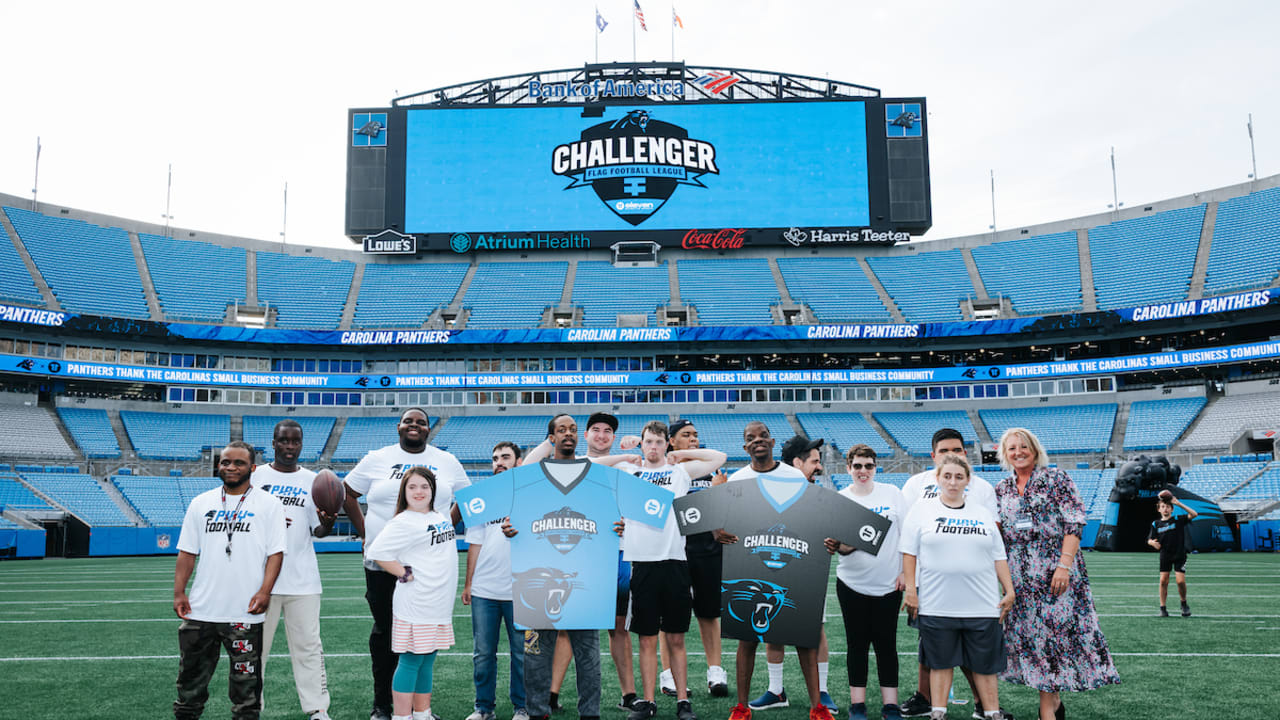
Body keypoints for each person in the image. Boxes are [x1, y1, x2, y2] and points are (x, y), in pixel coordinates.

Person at [343, 408, 471, 720]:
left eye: (421, 422)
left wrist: (444, 524)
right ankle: (384, 706)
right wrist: (366, 534)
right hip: (385, 566)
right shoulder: (377, 458)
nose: (414, 425)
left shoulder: (447, 461)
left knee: (424, 643)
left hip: (427, 570)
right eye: (408, 420)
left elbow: (467, 498)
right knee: (387, 635)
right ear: (398, 426)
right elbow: (346, 493)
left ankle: (420, 710)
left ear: (429, 429)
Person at [603, 421, 727, 720]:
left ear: (666, 444)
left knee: (676, 637)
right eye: (648, 442)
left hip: (675, 561)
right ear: (642, 444)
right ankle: (647, 702)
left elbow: (718, 458)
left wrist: (680, 456)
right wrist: (626, 453)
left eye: (659, 441)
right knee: (646, 638)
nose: (654, 447)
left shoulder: (679, 472)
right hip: (642, 564)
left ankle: (683, 702)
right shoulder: (629, 473)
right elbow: (591, 463)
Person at [995, 428, 1119, 720]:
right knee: (1034, 641)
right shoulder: (1001, 489)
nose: (1018, 452)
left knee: (1054, 639)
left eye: (1023, 446)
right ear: (1005, 454)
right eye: (1011, 448)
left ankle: (1047, 711)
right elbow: (998, 534)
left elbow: (1074, 523)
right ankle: (1053, 705)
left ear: (1035, 450)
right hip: (1020, 577)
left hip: (1056, 573)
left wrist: (1063, 566)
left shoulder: (1056, 479)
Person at [525, 411, 639, 711]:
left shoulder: (627, 466)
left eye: (607, 432)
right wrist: (556, 434)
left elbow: (637, 506)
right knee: (565, 625)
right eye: (594, 430)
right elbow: (529, 468)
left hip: (615, 554)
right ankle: (552, 693)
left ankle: (629, 694)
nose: (601, 435)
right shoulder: (567, 466)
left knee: (618, 627)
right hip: (577, 556)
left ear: (613, 437)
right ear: (584, 436)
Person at [173, 441, 286, 720]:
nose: (231, 467)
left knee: (246, 688)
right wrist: (179, 592)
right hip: (201, 610)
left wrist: (265, 591)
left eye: (238, 463)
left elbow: (276, 554)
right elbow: (187, 552)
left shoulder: (269, 504)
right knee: (190, 682)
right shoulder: (201, 503)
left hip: (244, 612)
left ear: (252, 468)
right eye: (225, 462)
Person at [721, 420, 826, 720]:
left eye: (763, 436)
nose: (758, 441)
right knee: (747, 638)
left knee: (803, 637)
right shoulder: (737, 479)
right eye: (751, 438)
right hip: (751, 561)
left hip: (791, 560)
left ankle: (817, 706)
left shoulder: (794, 476)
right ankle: (742, 707)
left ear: (771, 441)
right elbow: (726, 520)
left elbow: (810, 515)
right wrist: (719, 531)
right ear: (745, 447)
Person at [901, 454, 1015, 720]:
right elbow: (909, 553)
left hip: (983, 604)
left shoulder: (983, 513)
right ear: (937, 478)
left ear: (968, 481)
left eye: (959, 477)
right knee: (940, 662)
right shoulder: (921, 510)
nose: (953, 482)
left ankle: (992, 713)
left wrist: (1008, 589)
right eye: (947, 476)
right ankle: (938, 712)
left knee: (985, 666)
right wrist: (911, 590)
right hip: (936, 603)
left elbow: (999, 556)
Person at [252, 420, 337, 720]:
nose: (289, 447)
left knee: (309, 648)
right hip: (260, 581)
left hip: (303, 579)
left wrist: (328, 523)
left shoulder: (314, 481)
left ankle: (317, 708)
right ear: (273, 442)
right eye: (283, 441)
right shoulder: (256, 476)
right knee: (254, 649)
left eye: (295, 442)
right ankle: (250, 707)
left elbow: (318, 531)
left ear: (302, 444)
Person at [749, 435, 837, 714]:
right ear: (797, 463)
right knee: (772, 627)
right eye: (814, 461)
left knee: (816, 628)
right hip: (773, 568)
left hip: (810, 570)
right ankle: (776, 690)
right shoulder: (769, 489)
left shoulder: (818, 494)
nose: (819, 467)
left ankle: (822, 691)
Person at [365, 467, 459, 720]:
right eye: (412, 487)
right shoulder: (403, 521)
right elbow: (377, 551)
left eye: (424, 486)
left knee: (427, 661)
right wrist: (402, 573)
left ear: (433, 490)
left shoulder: (438, 515)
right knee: (410, 662)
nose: (419, 492)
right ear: (404, 492)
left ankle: (422, 714)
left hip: (439, 603)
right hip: (418, 603)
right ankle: (402, 717)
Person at [827, 444, 906, 720]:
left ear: (876, 467)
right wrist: (837, 543)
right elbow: (843, 546)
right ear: (848, 468)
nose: (863, 471)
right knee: (856, 644)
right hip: (852, 583)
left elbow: (907, 537)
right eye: (858, 466)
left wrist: (906, 573)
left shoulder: (893, 494)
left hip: (889, 584)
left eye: (869, 465)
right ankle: (857, 704)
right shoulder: (841, 499)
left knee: (887, 645)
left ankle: (891, 705)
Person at [659, 419, 730, 700]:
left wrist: (718, 492)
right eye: (686, 435)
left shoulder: (712, 469)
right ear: (672, 441)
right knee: (670, 615)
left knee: (709, 612)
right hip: (675, 548)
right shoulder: (668, 471)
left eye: (696, 435)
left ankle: (715, 671)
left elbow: (724, 513)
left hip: (706, 547)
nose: (693, 439)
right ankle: (668, 674)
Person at [463, 441, 529, 720]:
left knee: (522, 655)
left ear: (518, 461)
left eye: (505, 457)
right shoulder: (482, 497)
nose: (499, 462)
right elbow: (475, 543)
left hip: (522, 588)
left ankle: (521, 706)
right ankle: (483, 707)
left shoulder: (529, 496)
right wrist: (468, 584)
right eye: (494, 458)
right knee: (483, 654)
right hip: (485, 590)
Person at [1148, 491, 1198, 617]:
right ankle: (1163, 607)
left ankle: (1184, 604)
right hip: (1165, 555)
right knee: (1163, 581)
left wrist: (1178, 503)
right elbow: (1150, 539)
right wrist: (1152, 543)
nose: (1165, 509)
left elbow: (1194, 514)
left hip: (1179, 554)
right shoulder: (1156, 523)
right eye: (1163, 507)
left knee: (1180, 581)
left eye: (1168, 507)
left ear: (1172, 509)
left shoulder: (1177, 520)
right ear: (1159, 509)